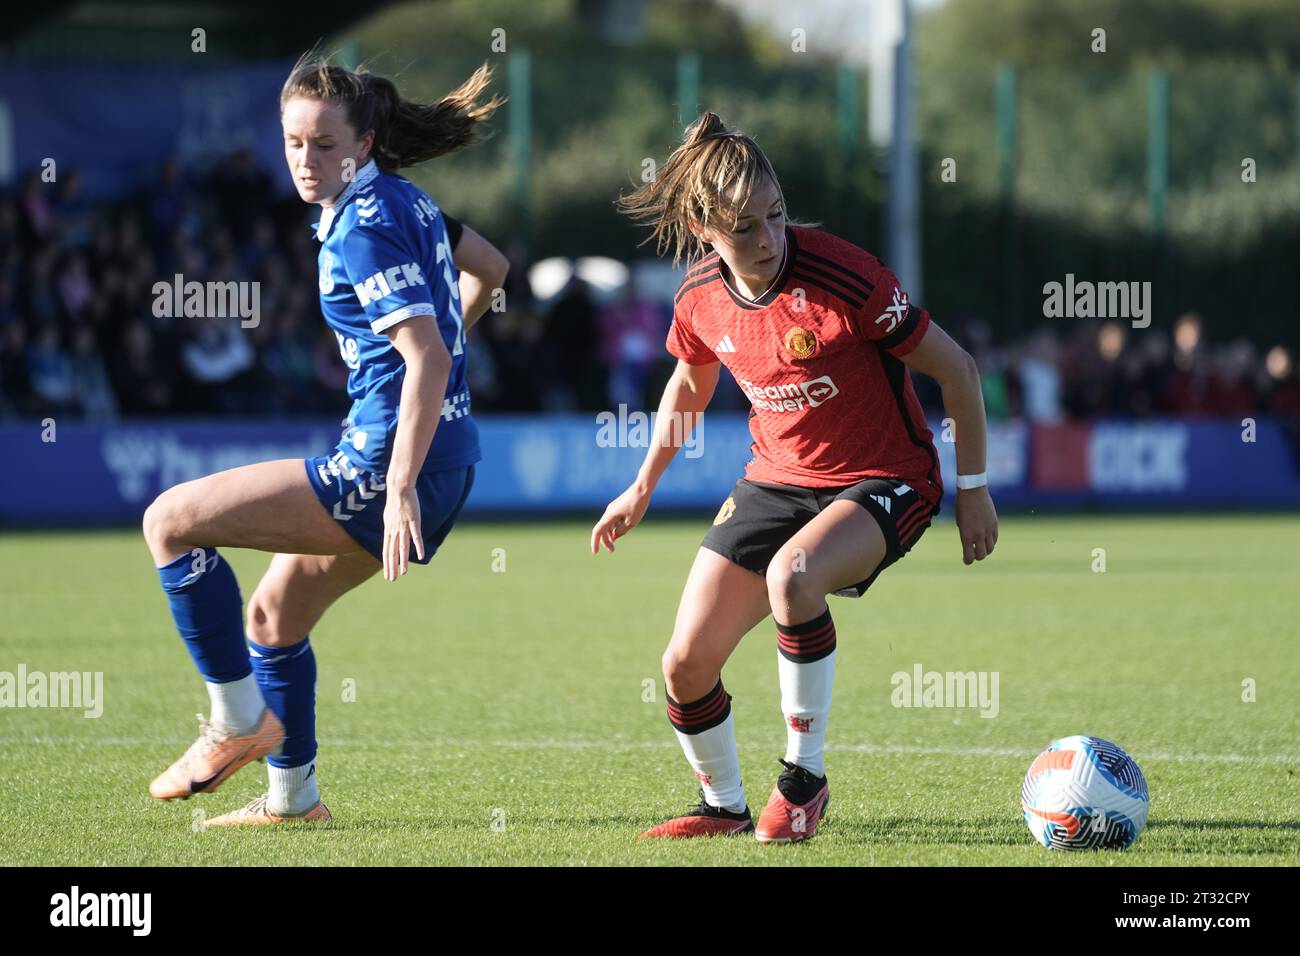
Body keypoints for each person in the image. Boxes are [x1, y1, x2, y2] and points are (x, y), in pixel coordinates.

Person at [591, 112, 998, 843]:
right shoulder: (698, 297)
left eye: (776, 216)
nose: (769, 239)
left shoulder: (846, 276)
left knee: (794, 576)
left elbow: (958, 370)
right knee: (684, 665)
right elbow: (689, 383)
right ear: (702, 226)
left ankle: (802, 782)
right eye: (745, 227)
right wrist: (641, 486)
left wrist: (973, 489)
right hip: (775, 479)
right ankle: (723, 807)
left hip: (887, 476)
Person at [141, 53, 508, 826]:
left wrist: (400, 476)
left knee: (168, 521)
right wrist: (435, 368)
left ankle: (236, 722)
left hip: (387, 468)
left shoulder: (363, 233)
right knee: (274, 616)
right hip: (446, 459)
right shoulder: (405, 202)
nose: (307, 160)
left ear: (364, 144)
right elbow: (492, 268)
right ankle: (292, 802)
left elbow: (429, 355)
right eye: (294, 142)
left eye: (325, 144)